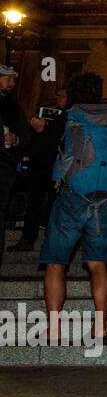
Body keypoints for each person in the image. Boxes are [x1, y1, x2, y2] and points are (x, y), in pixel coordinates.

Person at [40, 72, 107, 345]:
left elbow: (46, 153)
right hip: (103, 197)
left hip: (72, 196)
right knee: (97, 262)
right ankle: (100, 325)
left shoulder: (68, 117)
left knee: (55, 262)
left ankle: (54, 327)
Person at [11, 87, 68, 252]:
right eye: (57, 95)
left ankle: (50, 241)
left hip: (57, 167)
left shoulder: (69, 117)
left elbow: (57, 139)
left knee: (54, 204)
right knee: (34, 202)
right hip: (40, 166)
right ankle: (28, 238)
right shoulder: (53, 114)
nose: (58, 98)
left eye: (62, 96)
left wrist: (44, 129)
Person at [0, 64, 32, 264]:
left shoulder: (12, 105)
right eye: (8, 78)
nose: (12, 83)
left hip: (4, 164)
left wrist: (16, 139)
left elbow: (25, 134)